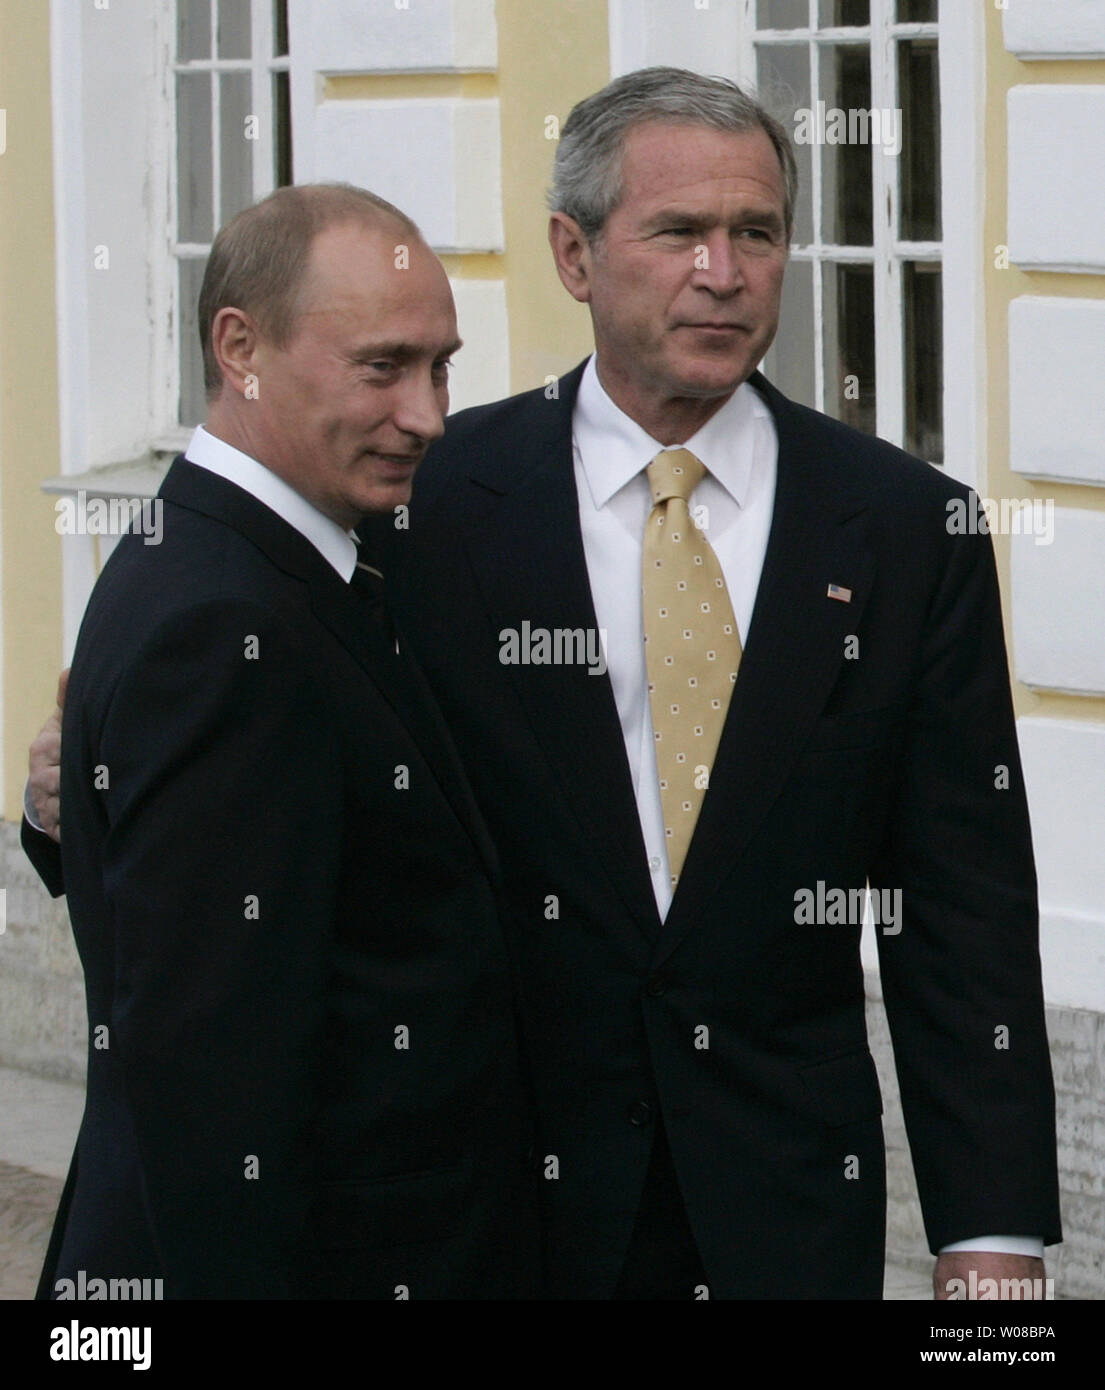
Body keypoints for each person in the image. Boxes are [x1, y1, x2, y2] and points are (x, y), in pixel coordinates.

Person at [376, 68, 1062, 1299]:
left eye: (756, 233)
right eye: (680, 232)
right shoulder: (432, 507)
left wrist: (991, 1236)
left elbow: (958, 909)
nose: (724, 271)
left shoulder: (907, 530)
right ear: (573, 255)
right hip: (495, 1202)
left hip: (784, 1210)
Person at [20, 183, 539, 1299]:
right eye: (381, 367)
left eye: (440, 367)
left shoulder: (256, 554)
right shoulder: (227, 623)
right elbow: (212, 1089)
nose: (429, 415)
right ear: (240, 348)